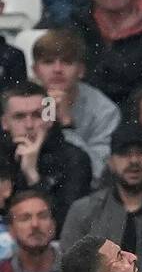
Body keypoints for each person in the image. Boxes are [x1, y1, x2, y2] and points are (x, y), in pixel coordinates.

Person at [61, 123, 142, 255]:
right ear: (110, 161)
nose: (134, 160)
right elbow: (69, 270)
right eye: (124, 153)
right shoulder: (83, 212)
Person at [30, 29, 121, 182]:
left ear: (81, 70)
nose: (57, 69)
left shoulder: (104, 110)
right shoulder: (19, 101)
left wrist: (67, 124)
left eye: (67, 62)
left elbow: (100, 172)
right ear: (35, 71)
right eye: (48, 62)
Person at [0, 82, 93, 230]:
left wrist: (32, 175)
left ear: (50, 118)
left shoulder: (74, 158)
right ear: (4, 122)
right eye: (19, 116)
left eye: (37, 115)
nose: (29, 125)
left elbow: (67, 225)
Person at [2, 191, 64, 272]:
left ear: (53, 225)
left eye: (43, 216)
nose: (35, 224)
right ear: (11, 230)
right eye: (25, 218)